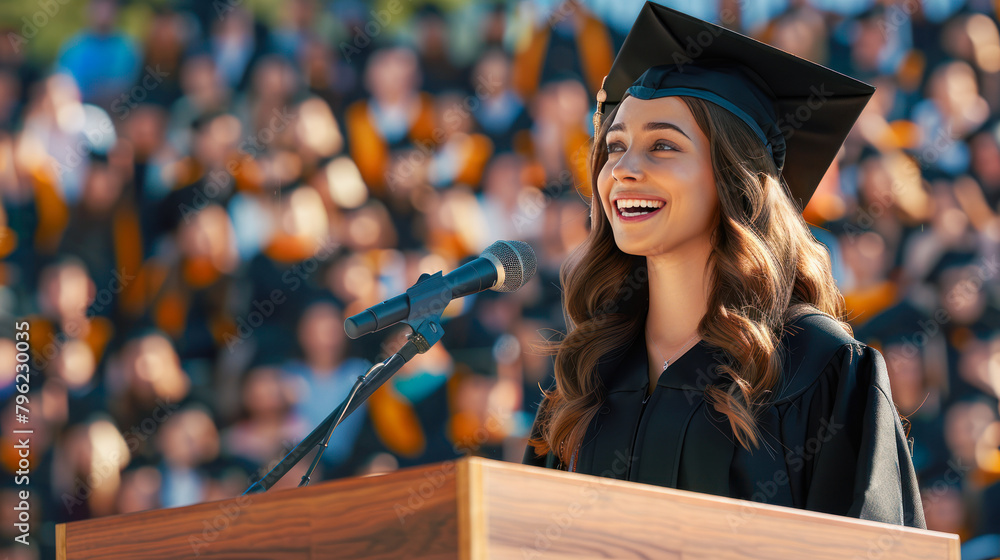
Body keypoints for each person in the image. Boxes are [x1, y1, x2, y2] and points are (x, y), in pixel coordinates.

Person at [523, 2, 926, 529]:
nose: (622, 169)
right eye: (614, 146)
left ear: (734, 178)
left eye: (663, 145)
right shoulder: (586, 373)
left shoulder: (815, 365)